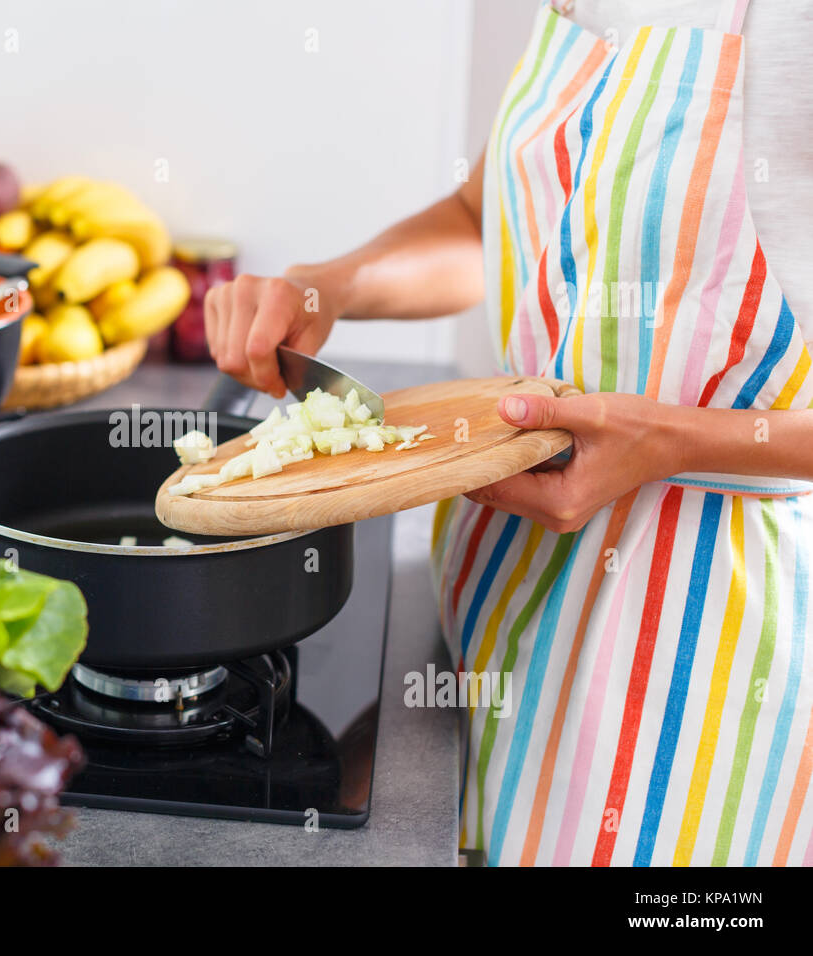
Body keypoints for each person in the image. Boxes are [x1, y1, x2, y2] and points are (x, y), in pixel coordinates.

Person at [204, 0, 813, 865]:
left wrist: (673, 440)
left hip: (701, 659)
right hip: (499, 594)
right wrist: (331, 285)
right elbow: (480, 220)